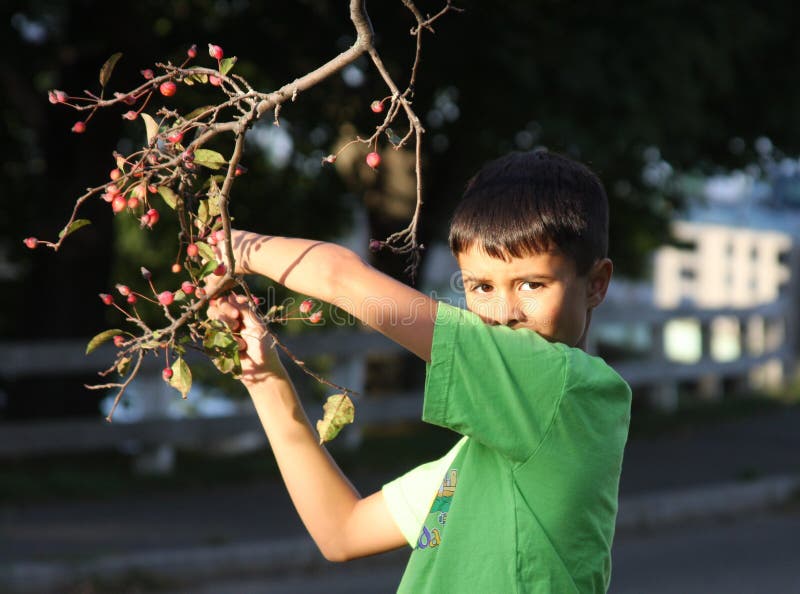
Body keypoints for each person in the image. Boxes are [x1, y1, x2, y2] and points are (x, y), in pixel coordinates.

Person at [207, 149, 631, 593]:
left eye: (532, 284)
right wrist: (266, 378)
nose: (505, 312)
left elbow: (342, 280)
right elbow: (342, 531)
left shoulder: (565, 389)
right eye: (482, 286)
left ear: (596, 284)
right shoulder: (479, 457)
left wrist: (231, 247)